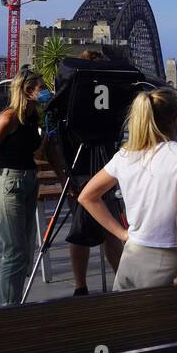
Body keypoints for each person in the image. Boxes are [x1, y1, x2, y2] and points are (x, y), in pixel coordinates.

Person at [77, 86, 177, 294]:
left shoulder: (124, 156)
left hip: (131, 257)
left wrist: (121, 233)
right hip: (168, 259)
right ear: (176, 119)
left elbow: (87, 196)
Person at [0, 70, 49, 305]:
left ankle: (15, 301)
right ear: (28, 91)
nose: (45, 91)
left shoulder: (32, 120)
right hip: (8, 182)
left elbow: (37, 154)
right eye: (41, 87)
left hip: (29, 180)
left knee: (25, 246)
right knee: (15, 249)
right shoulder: (8, 118)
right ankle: (7, 307)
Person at [59, 50, 124, 296]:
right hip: (83, 169)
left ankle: (112, 282)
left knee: (107, 228)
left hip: (96, 164)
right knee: (83, 229)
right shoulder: (75, 100)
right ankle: (82, 285)